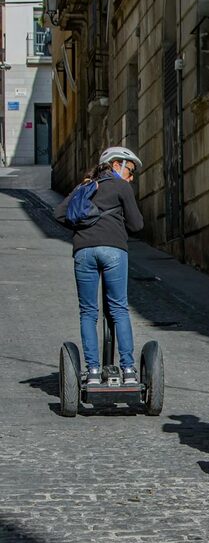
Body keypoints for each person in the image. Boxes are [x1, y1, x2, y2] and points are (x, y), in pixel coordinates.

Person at [55, 146, 144, 386]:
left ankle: (93, 371)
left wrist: (82, 229)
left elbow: (59, 214)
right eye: (130, 170)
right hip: (114, 250)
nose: (131, 177)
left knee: (88, 312)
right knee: (119, 309)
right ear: (116, 165)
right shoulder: (121, 187)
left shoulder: (84, 186)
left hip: (83, 251)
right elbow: (137, 225)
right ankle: (128, 371)